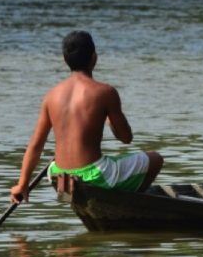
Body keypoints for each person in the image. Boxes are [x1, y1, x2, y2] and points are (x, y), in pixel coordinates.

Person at [9, 31, 163, 204]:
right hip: (95, 175)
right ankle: (130, 205)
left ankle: (82, 201)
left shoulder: (51, 96)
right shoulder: (105, 92)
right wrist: (109, 118)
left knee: (61, 166)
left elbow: (35, 146)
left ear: (64, 60)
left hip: (58, 176)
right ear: (94, 57)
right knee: (156, 159)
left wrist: (22, 184)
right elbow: (126, 138)